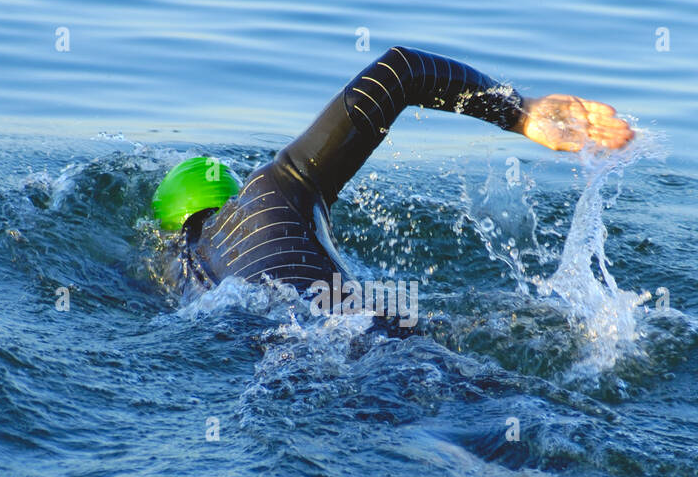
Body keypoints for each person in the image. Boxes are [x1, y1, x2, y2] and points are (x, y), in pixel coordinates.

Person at [150, 46, 632, 306]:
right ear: (232, 192)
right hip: (375, 341)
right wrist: (522, 113)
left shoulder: (180, 276)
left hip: (288, 365)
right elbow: (400, 69)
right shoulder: (277, 188)